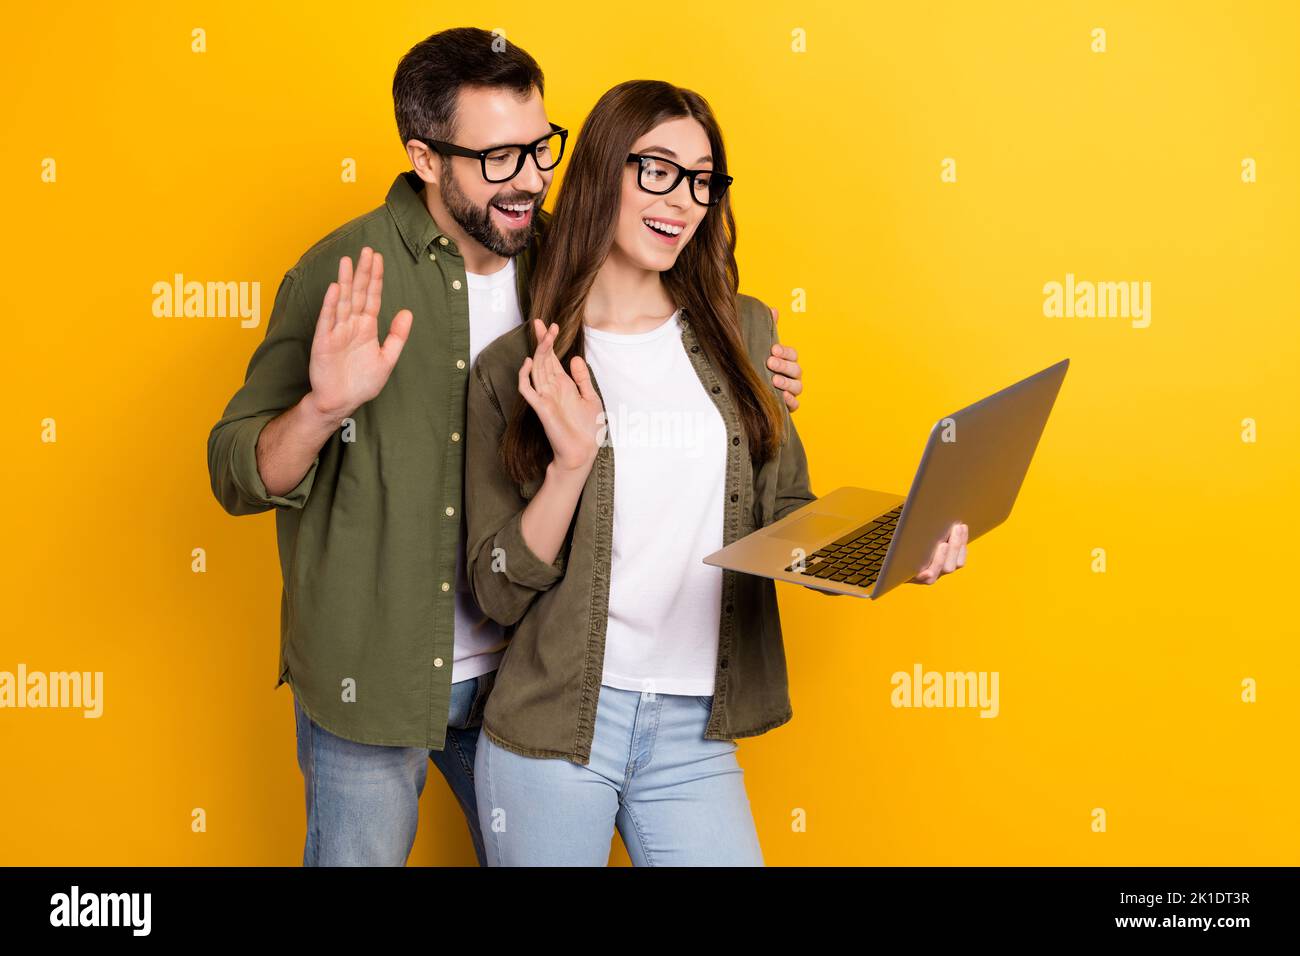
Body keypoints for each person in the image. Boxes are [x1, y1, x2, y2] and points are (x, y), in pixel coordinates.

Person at [205, 29, 805, 866]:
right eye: (498, 158)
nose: (529, 179)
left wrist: (749, 386)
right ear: (424, 155)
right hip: (378, 675)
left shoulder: (565, 257)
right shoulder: (343, 271)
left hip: (534, 673)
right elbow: (236, 471)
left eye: (539, 148)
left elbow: (674, 341)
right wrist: (321, 407)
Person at [464, 79, 969, 866]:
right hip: (554, 732)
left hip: (692, 735)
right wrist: (569, 467)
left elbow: (789, 515)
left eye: (703, 179)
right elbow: (494, 588)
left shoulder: (746, 331)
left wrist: (894, 550)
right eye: (658, 169)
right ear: (603, 171)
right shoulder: (517, 368)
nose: (684, 200)